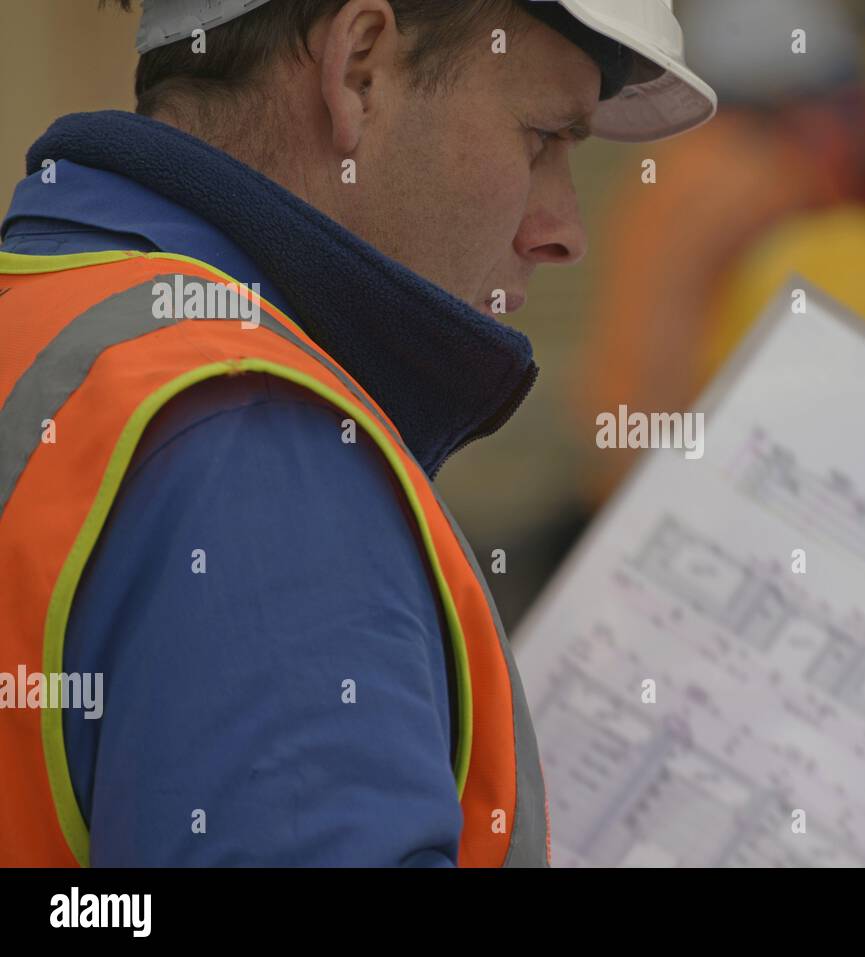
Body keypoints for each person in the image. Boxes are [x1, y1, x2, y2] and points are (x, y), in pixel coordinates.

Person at [0, 0, 714, 867]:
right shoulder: (260, 443)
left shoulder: (48, 308)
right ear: (361, 70)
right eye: (542, 139)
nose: (564, 230)